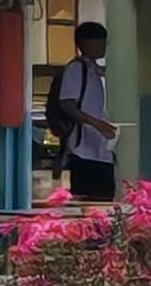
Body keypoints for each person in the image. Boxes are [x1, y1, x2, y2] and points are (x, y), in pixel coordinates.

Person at [44, 21, 117, 202]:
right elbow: (67, 104)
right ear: (86, 43)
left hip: (101, 148)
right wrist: (96, 123)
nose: (103, 47)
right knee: (91, 198)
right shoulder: (77, 68)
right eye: (99, 42)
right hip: (84, 148)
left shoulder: (94, 69)